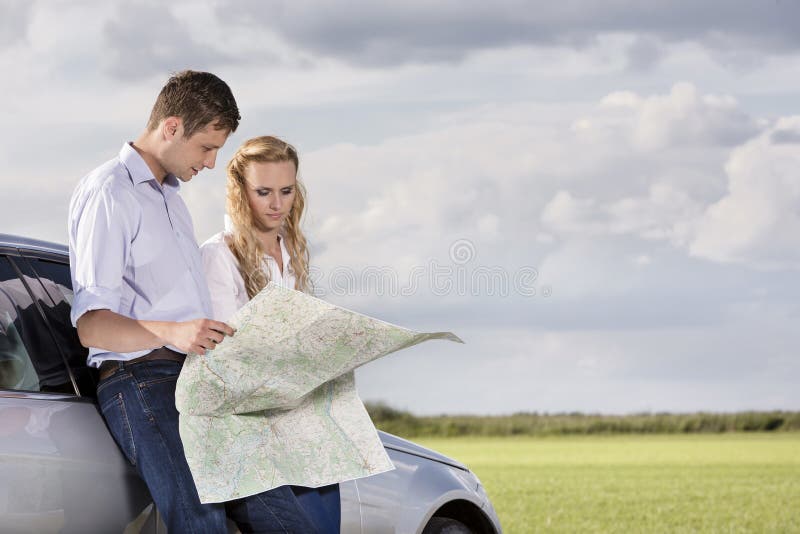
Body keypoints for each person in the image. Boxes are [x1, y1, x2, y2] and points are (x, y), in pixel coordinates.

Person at [68, 71, 318, 533]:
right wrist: (172, 331)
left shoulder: (170, 200)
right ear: (171, 127)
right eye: (206, 147)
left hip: (197, 383)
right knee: (201, 525)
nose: (211, 162)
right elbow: (91, 325)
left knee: (286, 522)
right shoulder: (110, 192)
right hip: (141, 382)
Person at [200, 136, 341, 533]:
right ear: (240, 193)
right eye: (263, 192)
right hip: (250, 425)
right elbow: (226, 351)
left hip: (298, 420)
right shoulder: (218, 255)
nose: (277, 204)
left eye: (286, 191)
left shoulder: (290, 250)